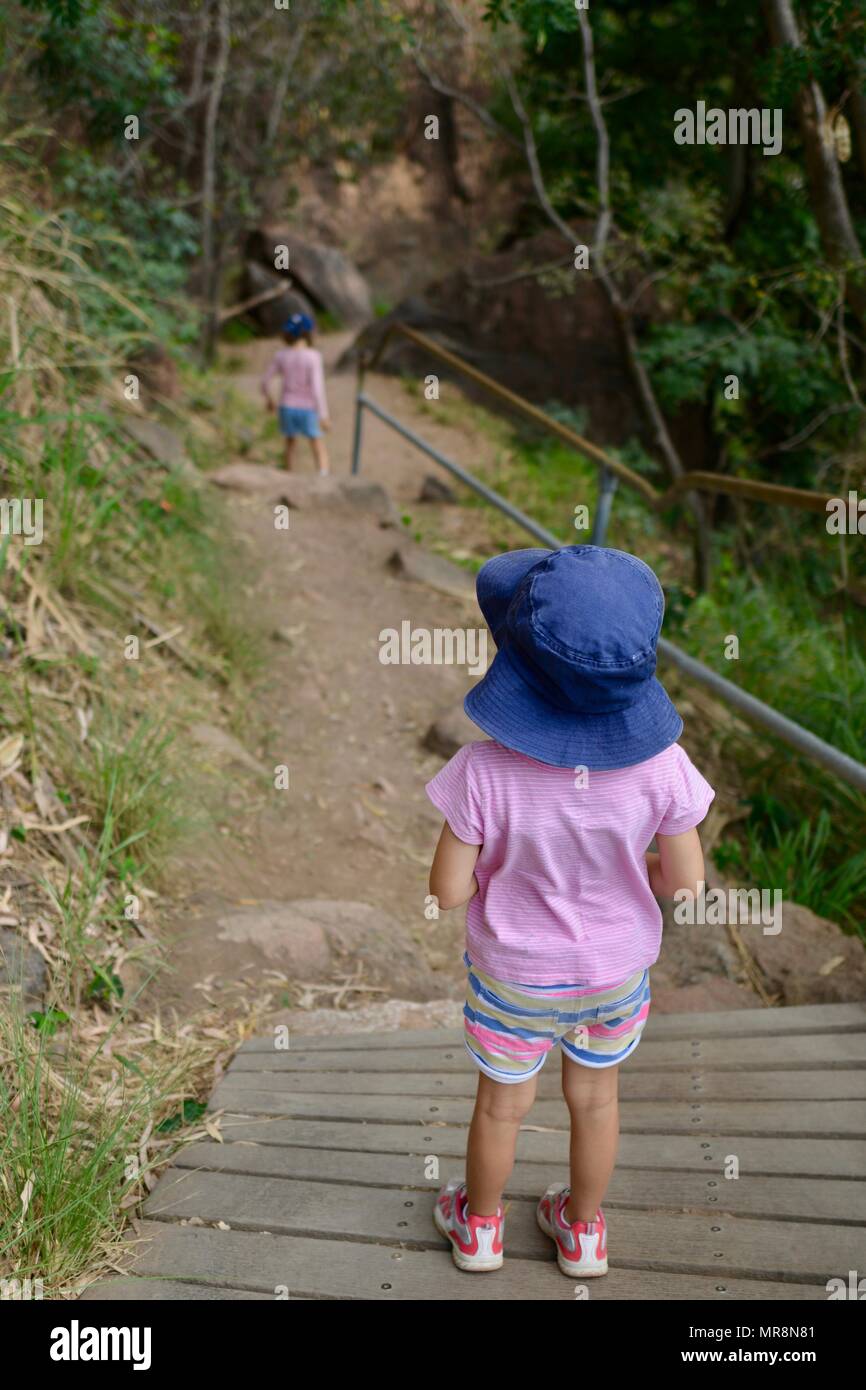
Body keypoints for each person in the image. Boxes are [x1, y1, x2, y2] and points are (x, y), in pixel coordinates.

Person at [425, 545, 715, 1277]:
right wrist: (631, 863)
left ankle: (481, 1227)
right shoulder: (663, 768)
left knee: (501, 1106)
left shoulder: (482, 773)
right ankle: (582, 1232)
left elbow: (449, 891)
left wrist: (506, 865)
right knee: (595, 1101)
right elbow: (683, 884)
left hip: (515, 976)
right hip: (612, 976)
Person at [261, 312, 330, 474]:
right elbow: (317, 388)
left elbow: (265, 382)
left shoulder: (281, 355)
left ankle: (289, 476)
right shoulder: (314, 356)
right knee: (317, 444)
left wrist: (270, 401)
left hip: (287, 406)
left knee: (290, 445)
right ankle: (324, 476)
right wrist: (323, 415)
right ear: (309, 333)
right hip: (308, 407)